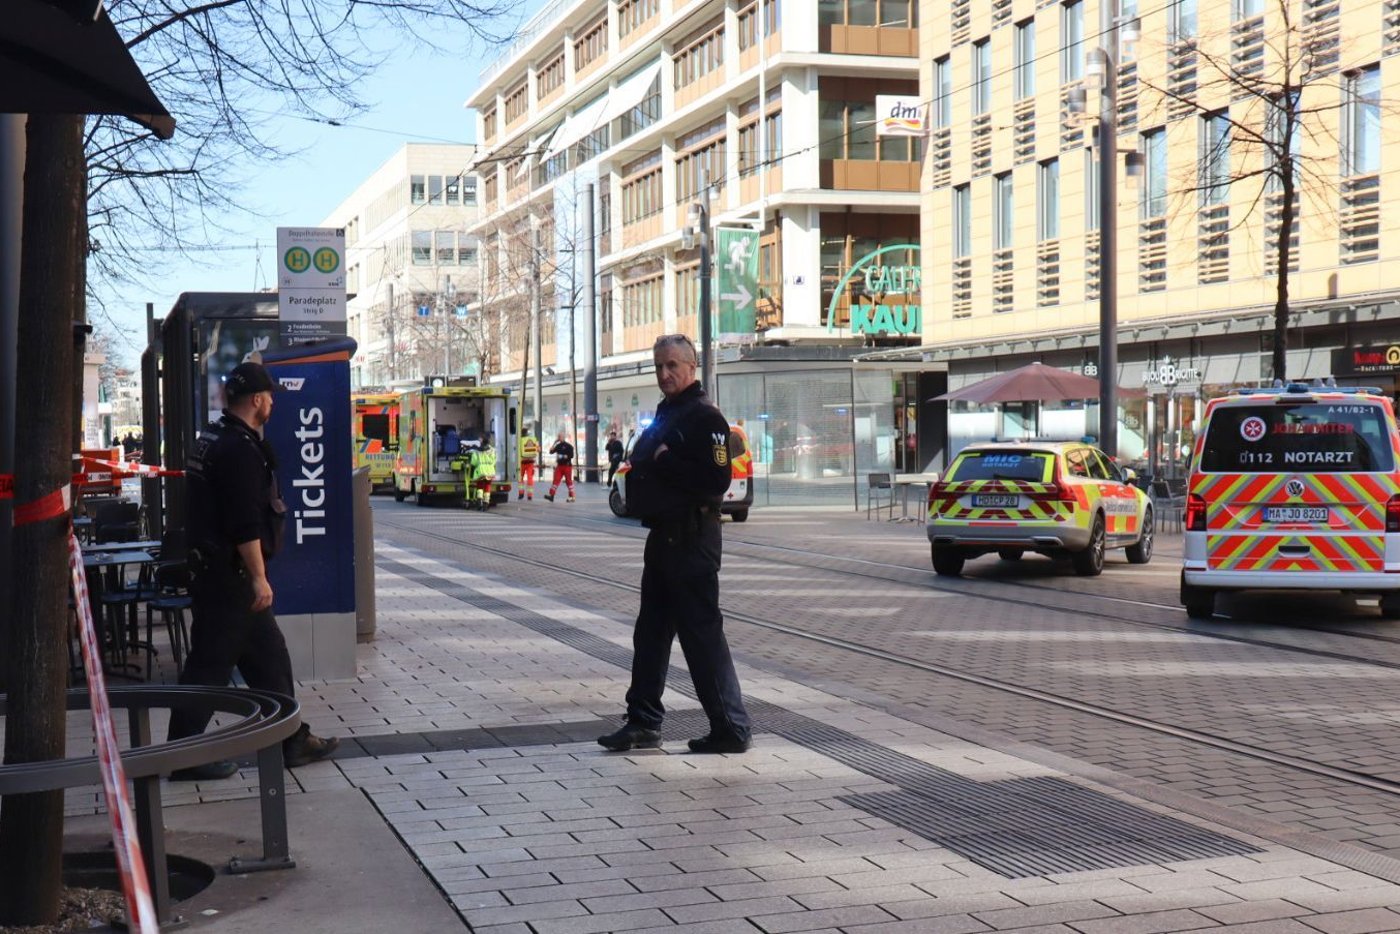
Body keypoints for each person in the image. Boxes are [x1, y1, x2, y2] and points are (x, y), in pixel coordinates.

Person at [166, 361, 339, 780]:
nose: (273, 404)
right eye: (271, 397)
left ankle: (292, 739)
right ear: (258, 400)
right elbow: (245, 523)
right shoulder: (239, 450)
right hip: (230, 579)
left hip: (217, 573)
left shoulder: (214, 438)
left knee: (270, 660)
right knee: (208, 667)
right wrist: (259, 576)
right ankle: (183, 755)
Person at [598, 334, 751, 755]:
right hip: (663, 538)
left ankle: (732, 728)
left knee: (701, 637)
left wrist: (666, 460)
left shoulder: (705, 417)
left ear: (691, 367)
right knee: (650, 634)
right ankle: (643, 722)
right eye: (658, 366)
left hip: (692, 540)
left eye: (672, 365)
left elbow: (717, 480)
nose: (664, 373)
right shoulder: (669, 413)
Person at [466, 433, 497, 509]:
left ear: (482, 441)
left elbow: (474, 462)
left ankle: (479, 500)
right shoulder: (492, 450)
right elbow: (494, 460)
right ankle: (486, 502)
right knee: (487, 486)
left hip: (480, 471)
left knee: (480, 486)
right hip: (490, 471)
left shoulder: (476, 451)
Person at [544, 430, 575, 502]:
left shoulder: (569, 446)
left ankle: (572, 496)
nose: (558, 438)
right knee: (555, 480)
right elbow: (551, 451)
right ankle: (551, 496)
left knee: (568, 481)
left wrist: (562, 456)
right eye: (558, 436)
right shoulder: (558, 445)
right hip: (559, 466)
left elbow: (571, 456)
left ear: (563, 437)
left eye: (559, 436)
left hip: (567, 466)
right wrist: (554, 443)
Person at [518, 430, 539, 500]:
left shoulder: (519, 441)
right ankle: (530, 495)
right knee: (530, 478)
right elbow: (538, 449)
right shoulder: (533, 440)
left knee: (520, 478)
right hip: (530, 462)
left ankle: (521, 494)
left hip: (522, 462)